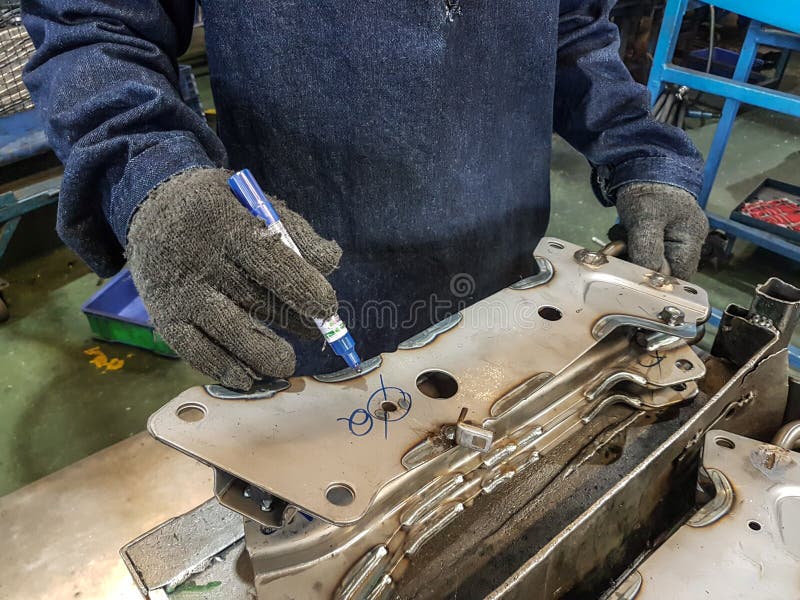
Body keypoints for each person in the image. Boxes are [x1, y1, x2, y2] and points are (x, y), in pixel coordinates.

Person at [22, 1, 708, 390]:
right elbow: (94, 28)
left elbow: (571, 26)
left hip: (508, 281)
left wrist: (640, 152)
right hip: (311, 290)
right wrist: (151, 177)